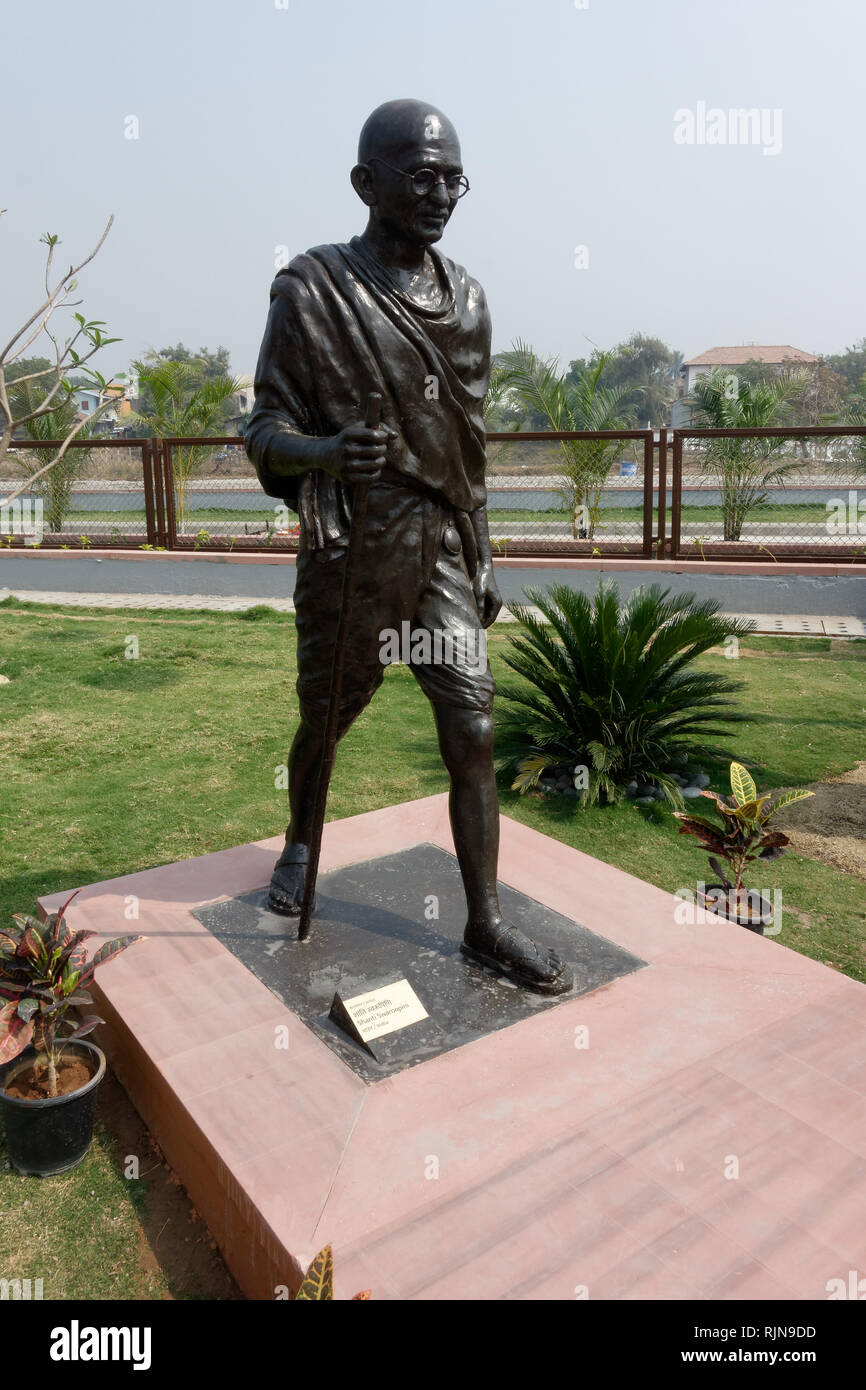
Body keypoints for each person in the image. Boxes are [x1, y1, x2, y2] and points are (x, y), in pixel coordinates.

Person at [245, 98, 572, 995]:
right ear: (367, 182)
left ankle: (484, 923)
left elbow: (468, 454)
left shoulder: (466, 303)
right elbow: (264, 428)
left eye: (452, 178)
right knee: (329, 716)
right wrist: (321, 451)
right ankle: (301, 842)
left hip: (438, 548)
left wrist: (485, 553)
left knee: (473, 723)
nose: (441, 194)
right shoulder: (313, 291)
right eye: (421, 176)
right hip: (357, 544)